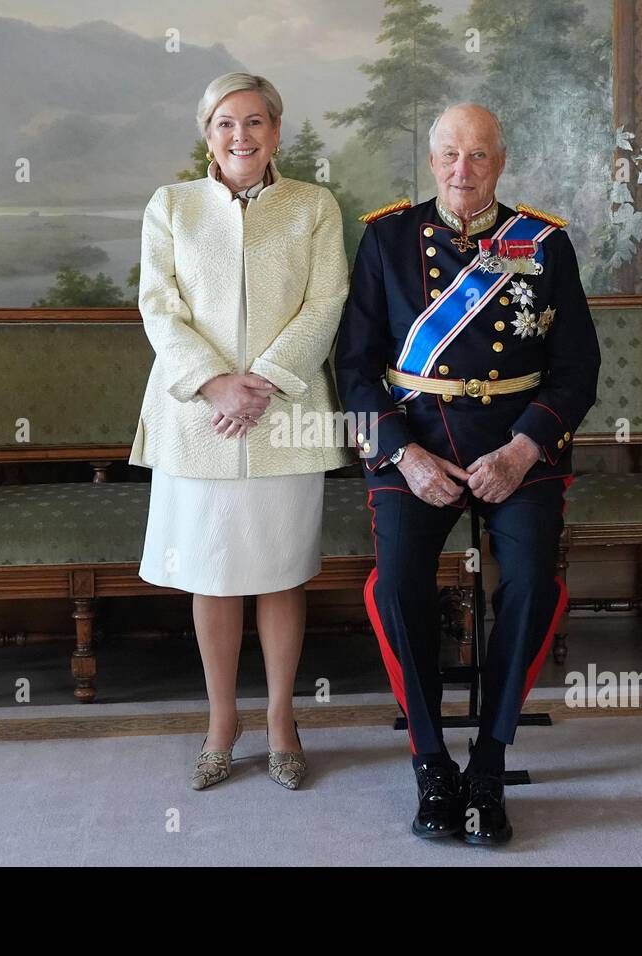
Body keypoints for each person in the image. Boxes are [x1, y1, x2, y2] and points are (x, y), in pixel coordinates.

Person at [334, 102, 601, 844]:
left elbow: (578, 368)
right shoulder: (385, 237)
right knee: (395, 586)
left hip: (516, 443)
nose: (463, 169)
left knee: (532, 583)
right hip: (413, 441)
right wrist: (401, 453)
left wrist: (523, 450)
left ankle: (488, 761)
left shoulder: (542, 243)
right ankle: (430, 762)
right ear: (430, 160)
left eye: (479, 155)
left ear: (501, 162)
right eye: (451, 154)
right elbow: (352, 369)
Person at [131, 72, 351, 791]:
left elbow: (327, 302)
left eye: (255, 122)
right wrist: (216, 382)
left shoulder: (313, 206)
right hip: (199, 415)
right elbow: (160, 307)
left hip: (285, 411)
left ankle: (283, 719)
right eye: (226, 122)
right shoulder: (172, 206)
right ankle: (222, 721)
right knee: (213, 574)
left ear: (276, 131)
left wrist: (263, 384)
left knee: (281, 571)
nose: (241, 136)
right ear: (207, 133)